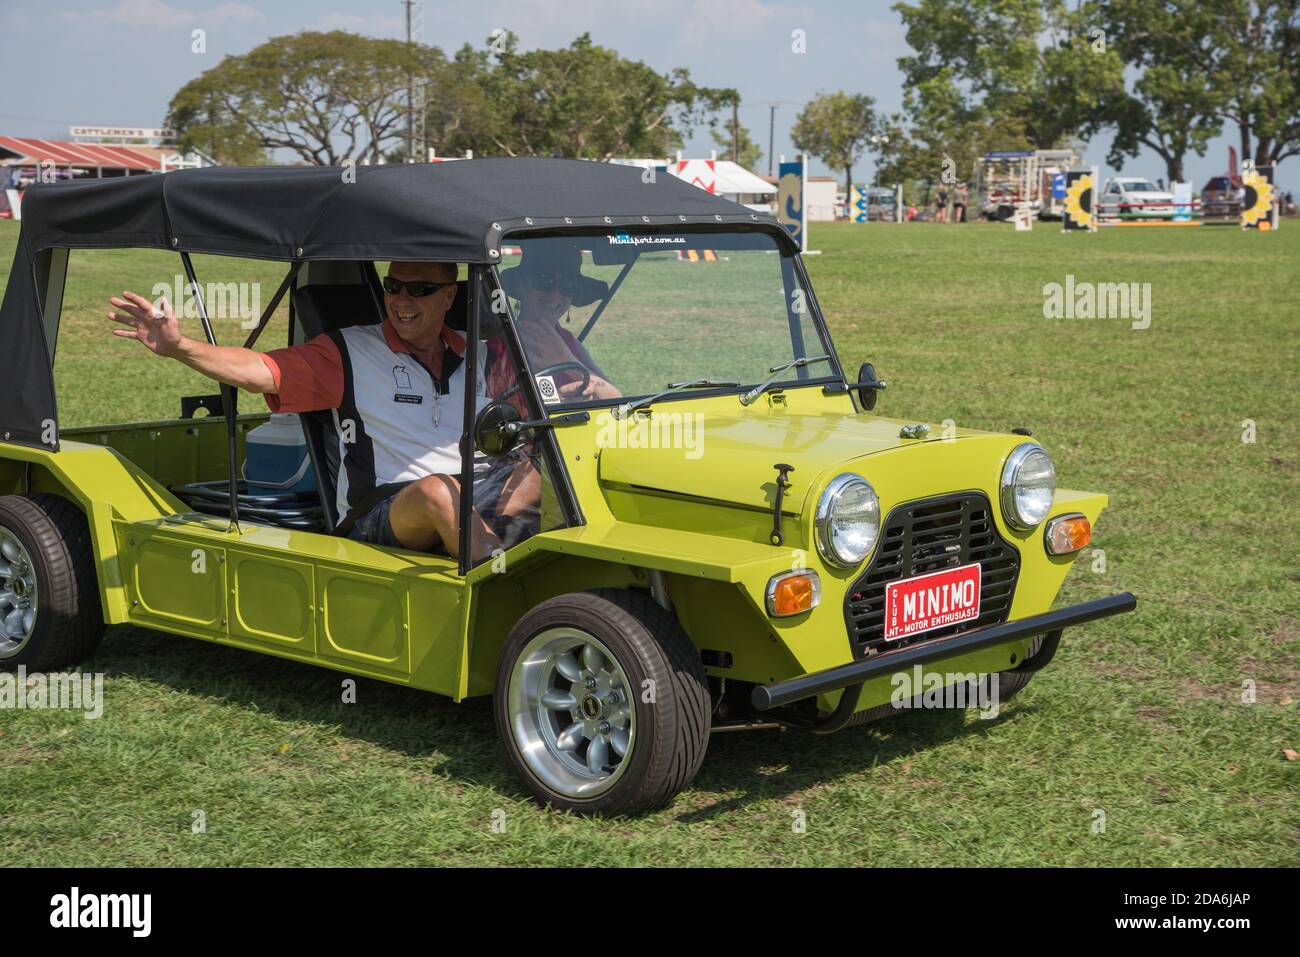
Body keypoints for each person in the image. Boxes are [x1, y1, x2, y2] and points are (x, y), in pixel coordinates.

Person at [107, 261, 528, 559]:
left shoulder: (478, 353)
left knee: (548, 462)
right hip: (385, 509)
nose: (402, 298)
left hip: (475, 487)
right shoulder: (348, 351)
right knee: (439, 491)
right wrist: (179, 347)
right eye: (393, 285)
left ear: (449, 295)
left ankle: (551, 563)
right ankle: (503, 580)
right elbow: (259, 372)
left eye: (419, 289)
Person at [494, 244, 621, 404]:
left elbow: (616, 402)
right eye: (544, 281)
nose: (556, 294)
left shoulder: (568, 343)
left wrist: (564, 360)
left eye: (568, 285)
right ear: (520, 284)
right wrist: (559, 397)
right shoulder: (499, 346)